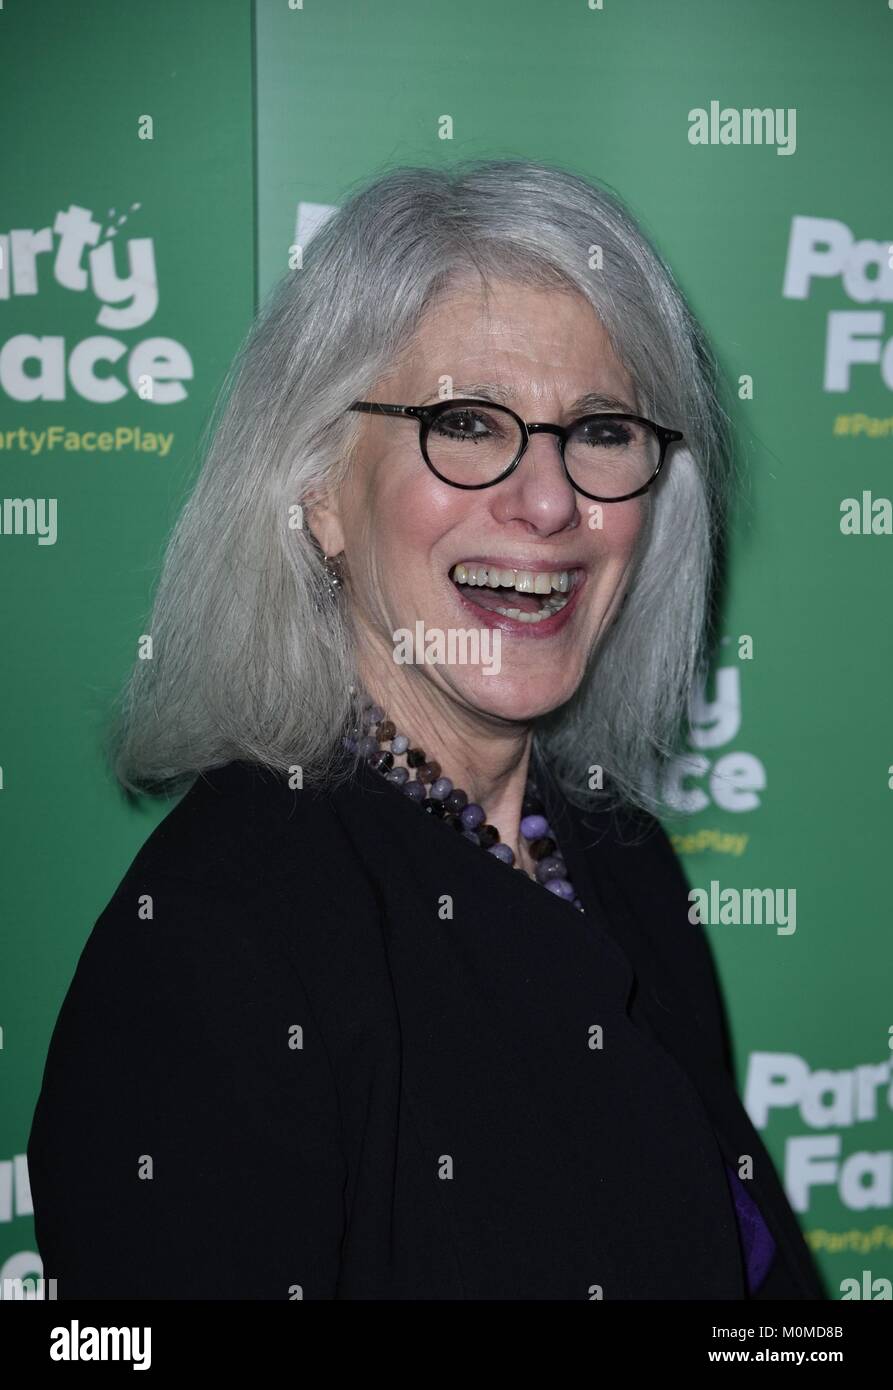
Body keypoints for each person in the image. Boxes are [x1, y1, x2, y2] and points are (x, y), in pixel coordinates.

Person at [28, 159, 825, 1300]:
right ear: (315, 488)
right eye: (464, 421)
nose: (547, 502)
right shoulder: (213, 951)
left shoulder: (620, 862)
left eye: (597, 429)